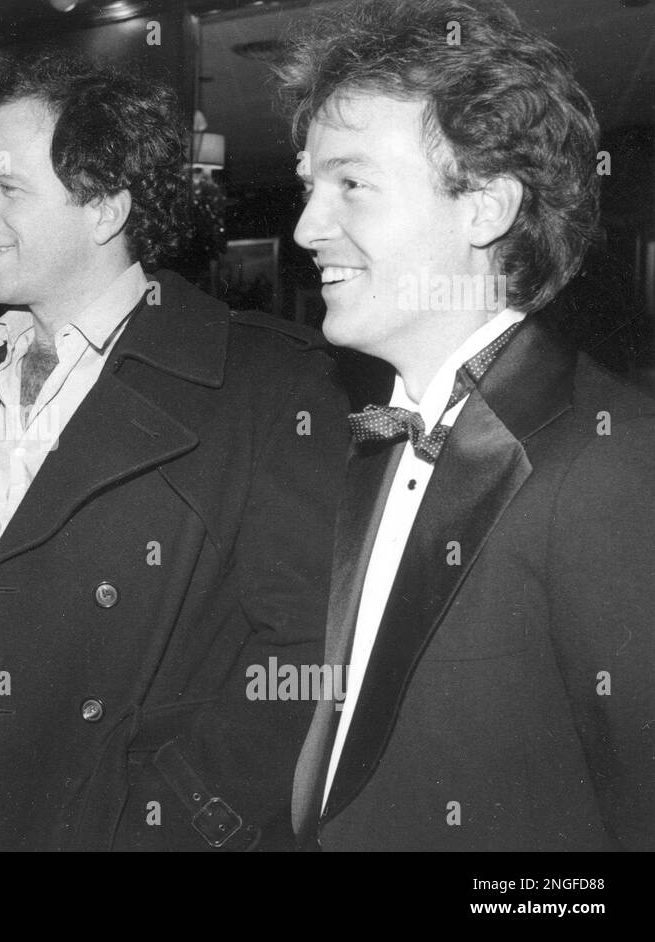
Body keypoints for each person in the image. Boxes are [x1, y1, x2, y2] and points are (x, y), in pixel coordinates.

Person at [0, 55, 350, 851]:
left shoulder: (263, 388)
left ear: (106, 207)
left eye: (8, 188)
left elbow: (305, 662)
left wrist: (172, 821)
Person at [280, 0, 655, 850]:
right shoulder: (378, 433)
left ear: (484, 208)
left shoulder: (618, 464)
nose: (307, 227)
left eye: (352, 184)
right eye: (310, 187)